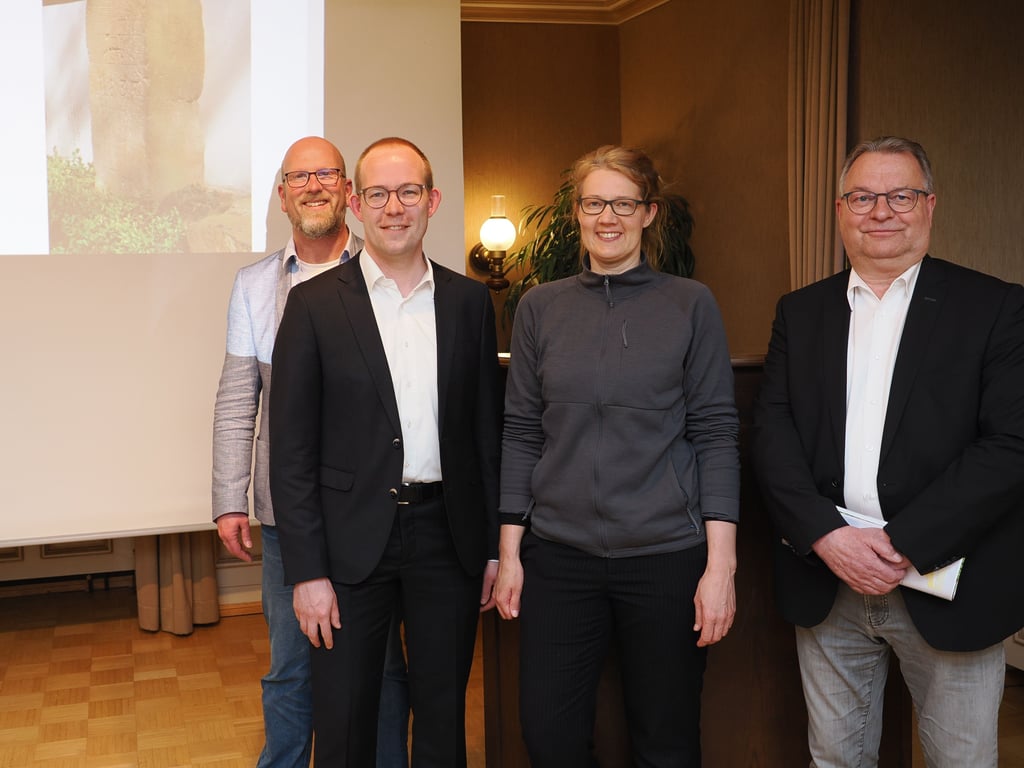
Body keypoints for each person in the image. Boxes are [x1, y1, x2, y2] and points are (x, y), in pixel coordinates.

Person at [752, 136, 1024, 768]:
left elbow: (1011, 446)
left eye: (900, 195)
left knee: (961, 761)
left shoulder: (995, 307)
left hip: (949, 580)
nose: (882, 211)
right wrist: (827, 536)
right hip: (829, 578)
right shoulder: (801, 311)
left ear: (929, 206)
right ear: (841, 209)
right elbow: (773, 433)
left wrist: (901, 545)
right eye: (863, 196)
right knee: (835, 759)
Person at [495, 144, 740, 767]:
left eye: (624, 203)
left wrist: (720, 568)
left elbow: (715, 433)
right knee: (549, 738)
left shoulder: (691, 304)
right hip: (558, 557)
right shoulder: (539, 309)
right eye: (595, 202)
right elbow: (522, 431)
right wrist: (510, 553)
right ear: (575, 212)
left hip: (665, 557)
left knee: (667, 740)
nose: (609, 217)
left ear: (649, 212)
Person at [268, 136, 502, 768]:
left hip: (447, 540)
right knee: (343, 724)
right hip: (347, 547)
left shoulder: (470, 303)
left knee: (443, 722)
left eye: (407, 193)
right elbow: (290, 453)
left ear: (433, 201)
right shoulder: (313, 306)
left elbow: (486, 435)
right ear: (354, 202)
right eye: (377, 193)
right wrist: (307, 571)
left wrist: (487, 547)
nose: (393, 208)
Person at [212, 136, 410, 767]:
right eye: (299, 177)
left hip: (375, 509)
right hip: (285, 516)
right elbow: (239, 398)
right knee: (293, 668)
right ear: (282, 195)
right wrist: (228, 500)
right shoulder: (253, 286)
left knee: (381, 668)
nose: (314, 186)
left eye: (326, 173)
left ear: (348, 192)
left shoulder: (384, 275)